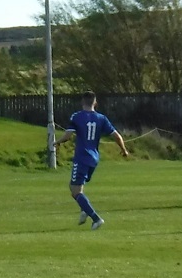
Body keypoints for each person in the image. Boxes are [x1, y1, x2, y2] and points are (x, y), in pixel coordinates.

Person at [55, 91, 128, 229]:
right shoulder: (101, 118)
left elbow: (68, 135)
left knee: (75, 190)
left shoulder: (76, 116)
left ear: (82, 101)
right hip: (94, 158)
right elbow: (117, 136)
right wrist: (124, 150)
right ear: (95, 103)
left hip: (82, 157)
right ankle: (84, 210)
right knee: (77, 187)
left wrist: (57, 142)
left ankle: (95, 218)